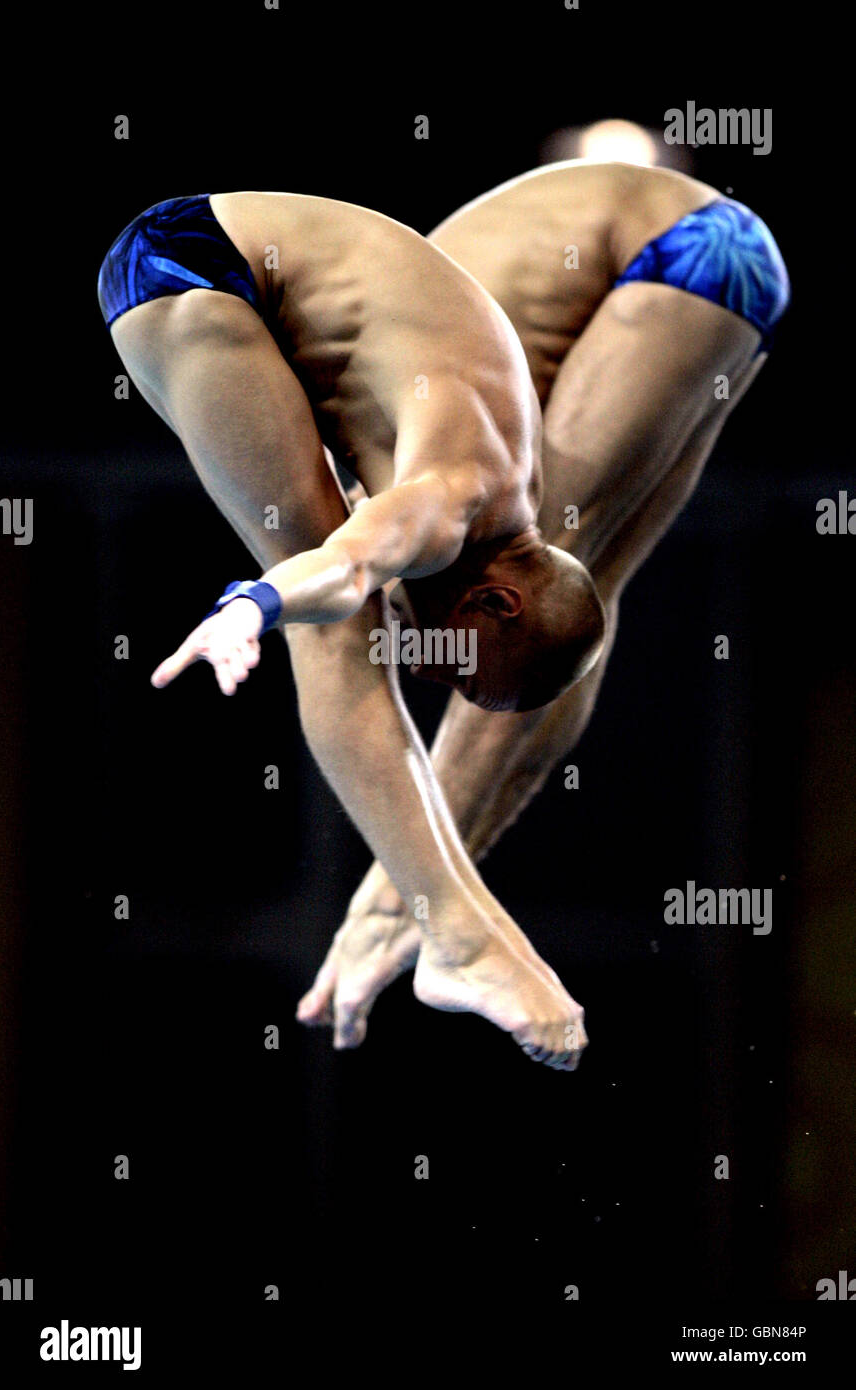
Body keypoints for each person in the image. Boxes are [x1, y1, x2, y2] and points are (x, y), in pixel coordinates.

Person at [98, 189, 607, 1069]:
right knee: (337, 633)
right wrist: (255, 606)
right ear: (498, 603)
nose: (431, 671)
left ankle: (469, 929)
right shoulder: (454, 504)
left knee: (347, 621)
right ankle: (460, 938)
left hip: (217, 261)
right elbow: (351, 564)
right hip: (192, 268)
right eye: (460, 672)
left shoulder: (506, 484)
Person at [299, 159, 790, 1046]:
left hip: (679, 252)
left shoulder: (416, 495)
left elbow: (432, 648)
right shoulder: (395, 497)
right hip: (722, 267)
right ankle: (424, 905)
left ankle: (398, 910)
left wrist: (405, 886)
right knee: (582, 598)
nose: (424, 644)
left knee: (541, 583)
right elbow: (517, 676)